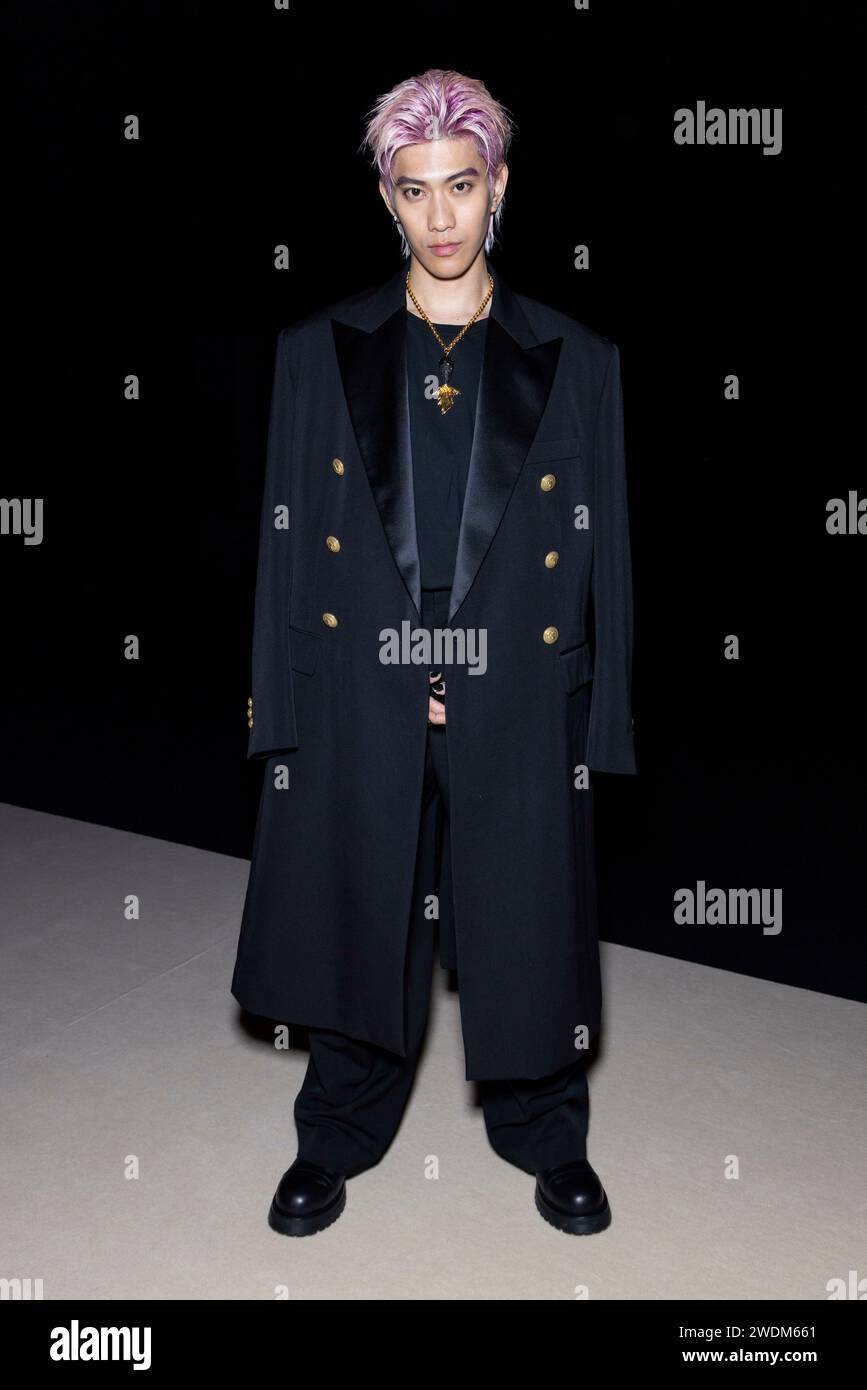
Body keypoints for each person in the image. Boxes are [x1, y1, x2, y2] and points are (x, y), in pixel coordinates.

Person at [231, 67, 637, 1237]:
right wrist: (279, 710)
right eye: (416, 190)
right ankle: (336, 1131)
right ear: (386, 198)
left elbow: (606, 552)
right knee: (355, 906)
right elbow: (285, 547)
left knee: (529, 915)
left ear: (499, 184)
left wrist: (602, 717)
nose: (442, 215)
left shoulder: (578, 356)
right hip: (364, 681)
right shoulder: (318, 349)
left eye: (462, 184)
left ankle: (547, 1129)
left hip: (521, 687)